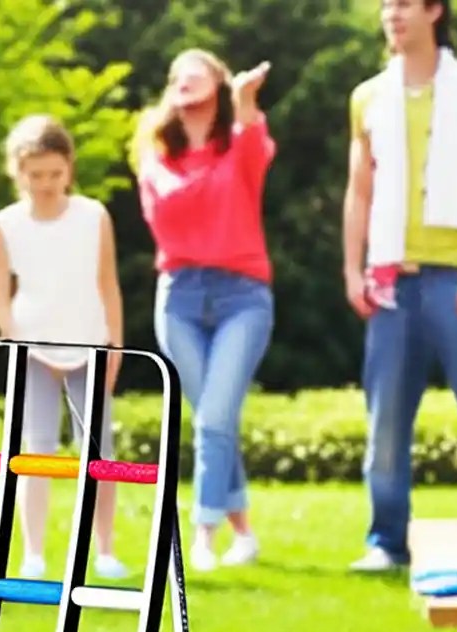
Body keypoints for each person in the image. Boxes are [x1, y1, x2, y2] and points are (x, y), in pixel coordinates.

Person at [342, 0, 457, 571]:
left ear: (433, 11)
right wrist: (353, 269)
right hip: (391, 282)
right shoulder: (367, 96)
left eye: (403, 4)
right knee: (386, 419)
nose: (391, 14)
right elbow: (359, 192)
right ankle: (386, 542)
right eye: (385, 6)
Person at [133, 49, 275, 572]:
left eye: (198, 74)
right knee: (215, 419)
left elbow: (254, 143)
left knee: (214, 417)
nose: (185, 81)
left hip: (244, 295)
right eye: (177, 76)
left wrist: (244, 104)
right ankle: (245, 535)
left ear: (216, 87)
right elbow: (168, 211)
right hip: (180, 297)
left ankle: (202, 538)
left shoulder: (241, 145)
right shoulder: (155, 155)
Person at [0, 115, 128, 580]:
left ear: (68, 168)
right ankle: (33, 555)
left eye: (54, 173)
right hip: (33, 352)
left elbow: (108, 285)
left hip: (89, 346)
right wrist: (19, 343)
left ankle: (104, 551)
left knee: (99, 453)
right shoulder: (5, 224)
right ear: (18, 172)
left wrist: (115, 345)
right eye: (35, 175)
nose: (45, 184)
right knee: (36, 451)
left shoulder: (93, 216)